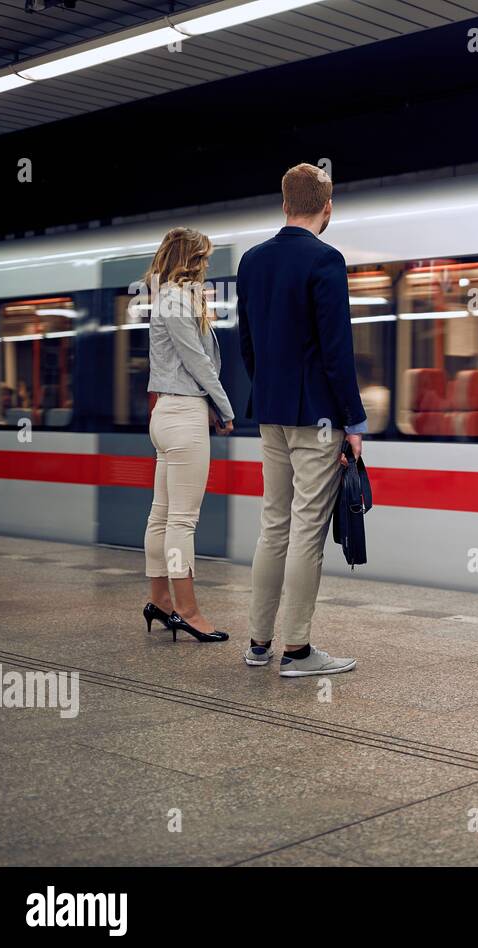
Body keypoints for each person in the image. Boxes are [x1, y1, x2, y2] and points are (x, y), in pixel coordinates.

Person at [236, 163, 367, 677]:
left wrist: (270, 388)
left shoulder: (253, 261)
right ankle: (297, 651)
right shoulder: (326, 260)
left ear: (284, 203)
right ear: (327, 207)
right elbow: (337, 351)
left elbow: (247, 344)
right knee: (307, 530)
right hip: (316, 417)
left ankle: (257, 643)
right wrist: (353, 422)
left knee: (274, 526)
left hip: (270, 413)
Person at [141, 227, 235, 642]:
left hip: (166, 413)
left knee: (161, 515)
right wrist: (225, 409)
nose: (208, 267)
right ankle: (188, 610)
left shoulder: (166, 299)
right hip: (182, 415)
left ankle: (160, 602)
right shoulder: (178, 301)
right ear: (192, 260)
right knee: (182, 520)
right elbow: (198, 363)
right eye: (205, 260)